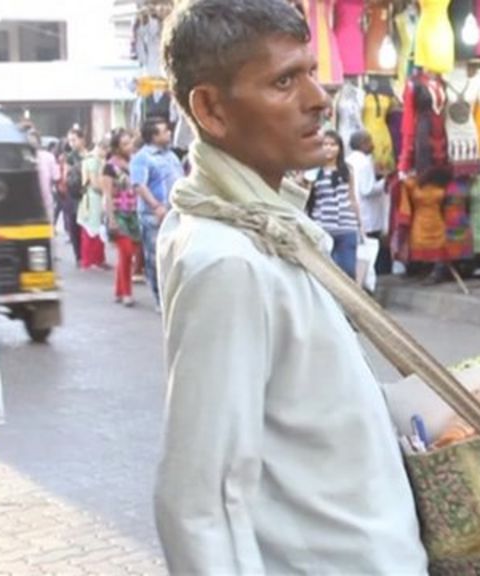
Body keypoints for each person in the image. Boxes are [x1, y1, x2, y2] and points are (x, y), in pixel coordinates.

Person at [154, 0, 427, 573]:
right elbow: (196, 502)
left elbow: (316, 408)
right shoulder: (228, 260)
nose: (318, 99)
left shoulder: (262, 226)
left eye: (310, 71)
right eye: (283, 81)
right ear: (211, 108)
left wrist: (458, 400)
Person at [131, 118, 183, 311]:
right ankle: (160, 299)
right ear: (153, 136)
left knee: (176, 255)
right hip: (154, 215)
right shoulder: (142, 158)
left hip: (176, 213)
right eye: (164, 131)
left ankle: (174, 296)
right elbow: (139, 185)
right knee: (155, 258)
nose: (169, 133)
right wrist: (156, 206)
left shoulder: (171, 156)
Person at [304, 129, 364, 278]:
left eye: (333, 144)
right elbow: (307, 197)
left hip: (346, 226)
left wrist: (360, 224)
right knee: (325, 275)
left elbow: (351, 197)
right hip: (322, 227)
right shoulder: (314, 170)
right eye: (325, 144)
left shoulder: (347, 170)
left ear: (340, 148)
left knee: (348, 271)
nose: (329, 148)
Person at [100, 128, 141, 306]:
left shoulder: (136, 162)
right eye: (125, 144)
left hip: (134, 212)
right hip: (118, 212)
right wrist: (111, 219)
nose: (129, 146)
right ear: (117, 148)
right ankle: (126, 292)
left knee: (127, 254)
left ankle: (119, 289)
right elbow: (107, 195)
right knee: (126, 252)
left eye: (130, 142)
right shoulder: (109, 167)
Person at [346, 130, 391, 275]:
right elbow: (367, 190)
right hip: (368, 213)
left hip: (358, 211)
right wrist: (387, 181)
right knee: (374, 247)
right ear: (363, 144)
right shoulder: (364, 163)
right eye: (370, 141)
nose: (373, 145)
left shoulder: (349, 160)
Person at [77, 138, 110, 270]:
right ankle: (92, 260)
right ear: (102, 148)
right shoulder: (93, 161)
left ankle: (97, 259)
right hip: (93, 198)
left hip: (90, 197)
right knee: (93, 230)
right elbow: (95, 183)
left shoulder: (90, 159)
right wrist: (106, 191)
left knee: (96, 228)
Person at [61, 128, 88, 264]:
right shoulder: (70, 156)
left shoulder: (89, 154)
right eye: (70, 140)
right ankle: (79, 255)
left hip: (88, 192)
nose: (72, 143)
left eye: (74, 140)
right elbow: (66, 176)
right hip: (74, 193)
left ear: (82, 139)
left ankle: (88, 254)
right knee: (74, 223)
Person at [27, 130, 60, 223]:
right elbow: (56, 177)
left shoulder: (48, 157)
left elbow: (56, 177)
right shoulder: (48, 157)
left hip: (40, 202)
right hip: (42, 201)